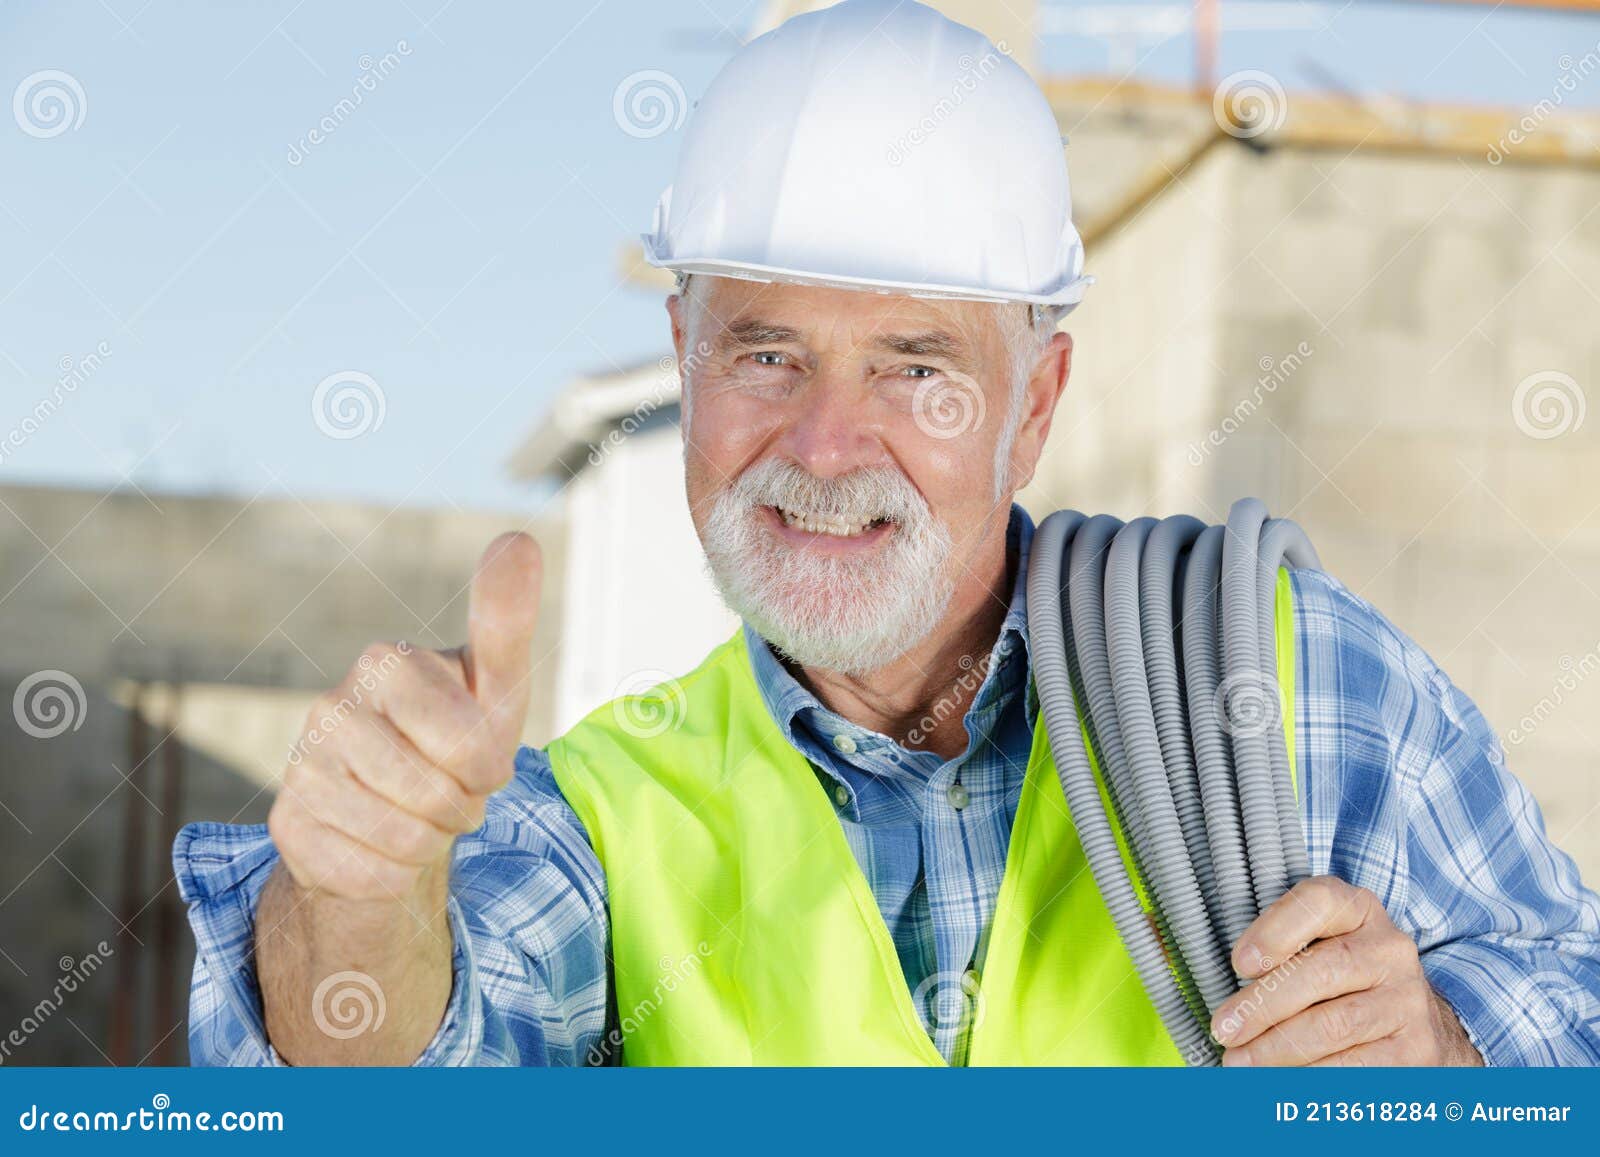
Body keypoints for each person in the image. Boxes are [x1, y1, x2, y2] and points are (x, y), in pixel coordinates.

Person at [175, 0, 1600, 1066]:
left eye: (917, 366)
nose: (824, 446)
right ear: (683, 356)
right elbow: (400, 1084)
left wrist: (1448, 1062)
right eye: (766, 355)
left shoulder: (1292, 698)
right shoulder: (604, 820)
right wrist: (354, 899)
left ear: (1032, 402)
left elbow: (1572, 1026)